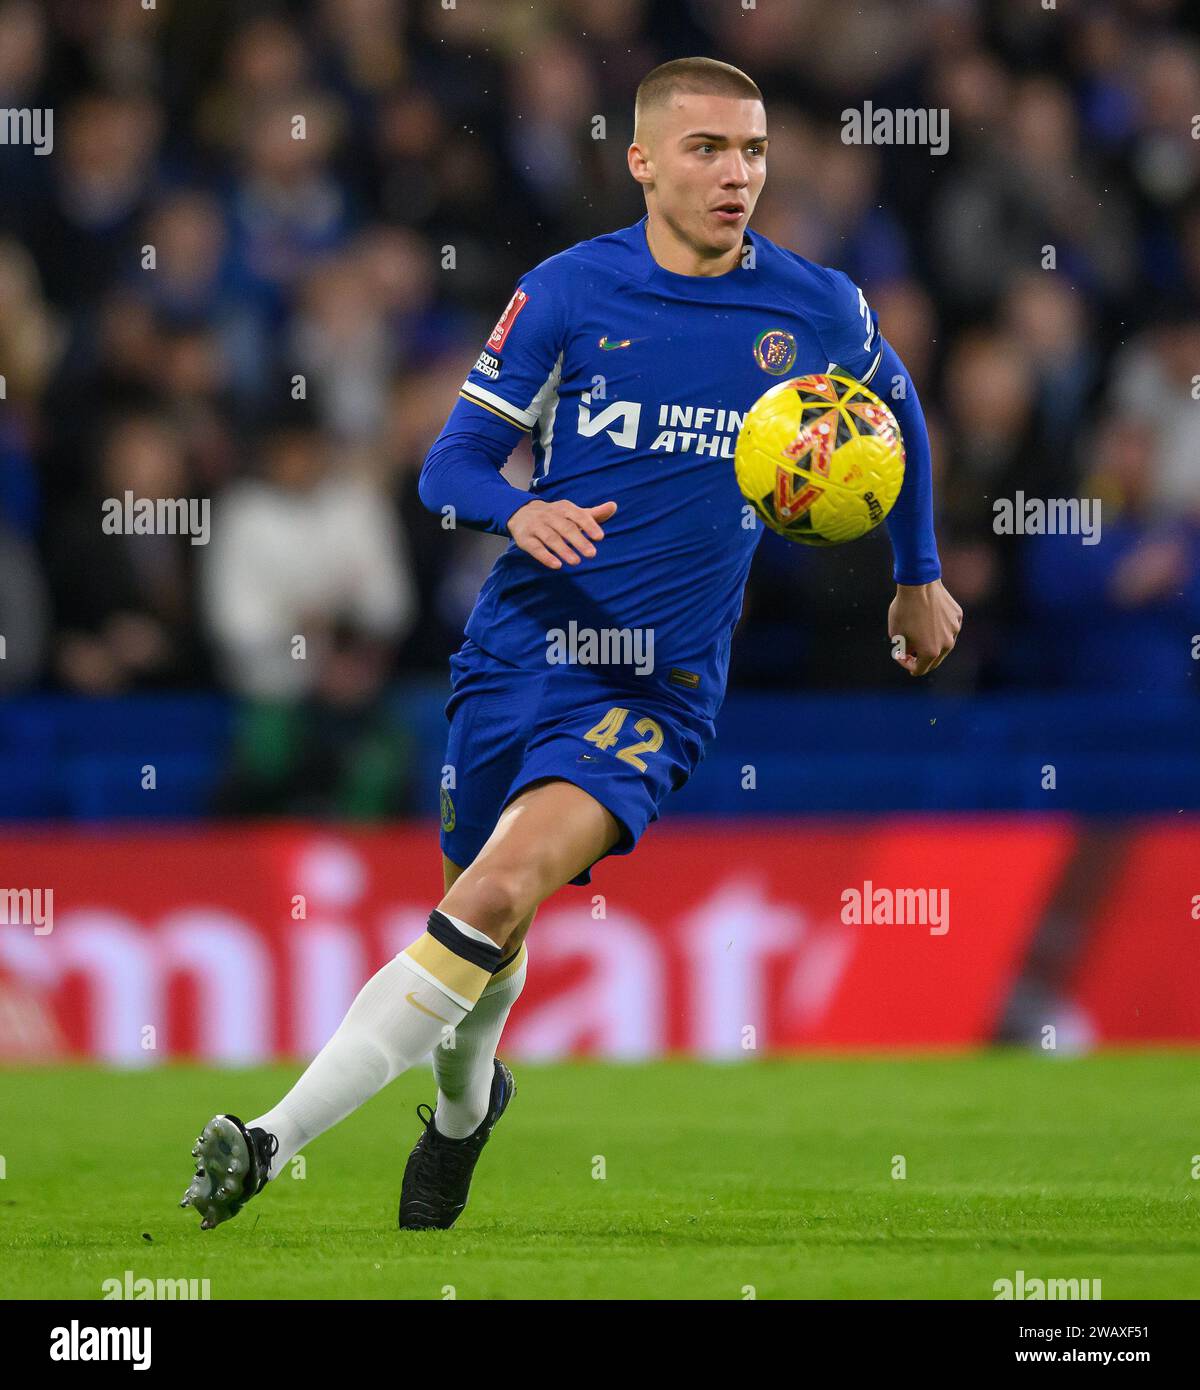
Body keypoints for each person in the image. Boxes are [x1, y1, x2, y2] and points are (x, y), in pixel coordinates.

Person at [180, 56, 961, 1234]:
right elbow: (448, 464)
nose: (738, 175)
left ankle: (266, 1140)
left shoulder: (815, 309)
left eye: (753, 151)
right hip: (518, 652)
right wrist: (519, 508)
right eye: (708, 149)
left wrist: (917, 575)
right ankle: (463, 1112)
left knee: (498, 889)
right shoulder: (567, 293)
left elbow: (895, 412)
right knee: (483, 919)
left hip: (656, 683)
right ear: (642, 160)